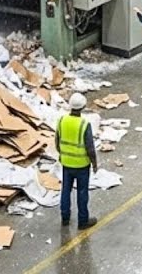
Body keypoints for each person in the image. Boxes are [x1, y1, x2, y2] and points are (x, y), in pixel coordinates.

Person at [56, 93, 98, 230]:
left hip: (66, 164)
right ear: (83, 107)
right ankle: (83, 221)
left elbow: (57, 141)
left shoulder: (62, 120)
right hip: (82, 165)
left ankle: (65, 217)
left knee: (65, 190)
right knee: (82, 192)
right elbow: (90, 147)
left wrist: (62, 154)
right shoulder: (84, 124)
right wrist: (94, 163)